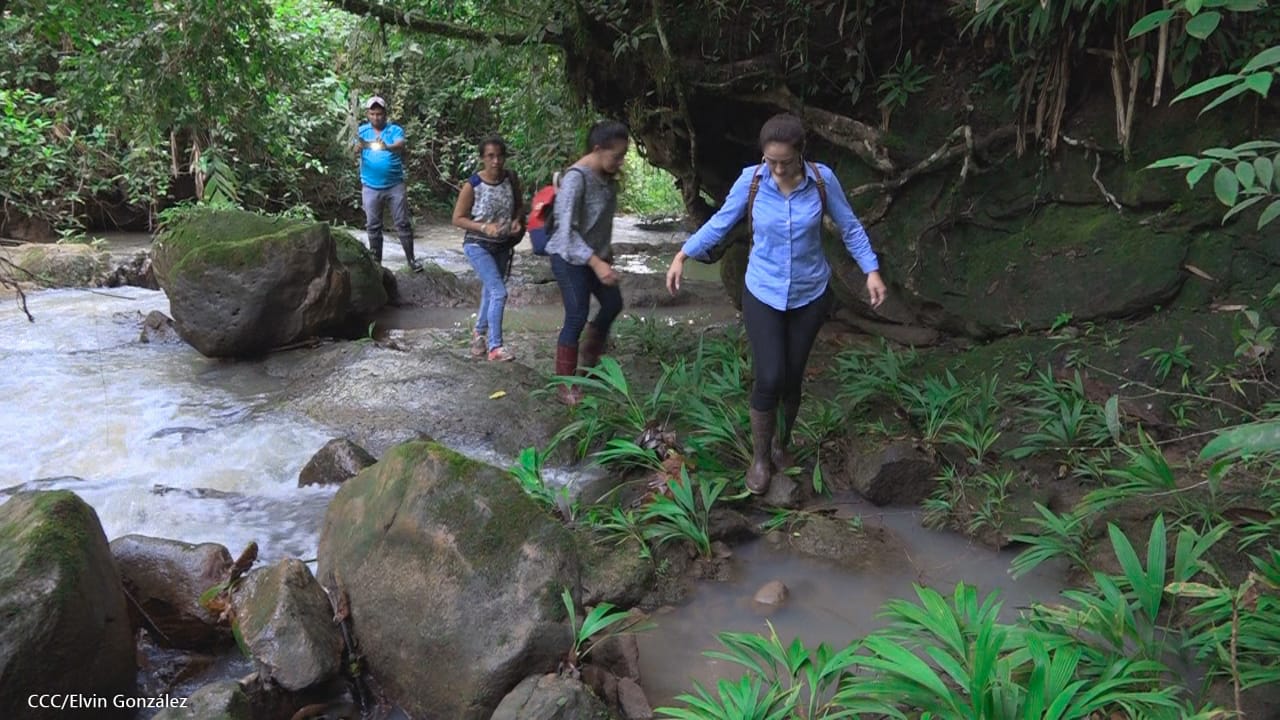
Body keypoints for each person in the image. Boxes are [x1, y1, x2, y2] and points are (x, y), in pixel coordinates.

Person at [665, 113, 887, 495]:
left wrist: (872, 270)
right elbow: (721, 222)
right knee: (769, 376)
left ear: (801, 152)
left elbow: (849, 226)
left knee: (792, 377)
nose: (778, 168)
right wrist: (684, 253)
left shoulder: (822, 180)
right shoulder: (752, 181)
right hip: (763, 291)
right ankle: (761, 457)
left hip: (810, 293)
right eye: (772, 161)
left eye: (785, 161)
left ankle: (783, 444)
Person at [547, 120, 630, 405]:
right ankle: (566, 385)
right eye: (616, 156)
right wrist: (596, 262)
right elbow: (565, 231)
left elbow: (599, 223)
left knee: (612, 303)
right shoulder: (575, 180)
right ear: (597, 149)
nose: (620, 162)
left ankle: (589, 362)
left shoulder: (605, 176)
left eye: (623, 156)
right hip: (568, 256)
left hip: (595, 255)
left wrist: (605, 255)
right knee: (577, 314)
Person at [452, 135, 524, 362]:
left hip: (502, 245)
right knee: (499, 292)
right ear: (482, 158)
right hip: (477, 244)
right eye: (490, 156)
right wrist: (484, 227)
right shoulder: (472, 184)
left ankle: (478, 335)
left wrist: (517, 222)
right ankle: (496, 347)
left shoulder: (511, 178)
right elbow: (457, 219)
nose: (496, 161)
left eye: (499, 156)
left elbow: (520, 207)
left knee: (490, 290)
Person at [355, 96, 422, 272]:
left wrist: (387, 146)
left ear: (385, 114)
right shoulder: (362, 131)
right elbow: (351, 150)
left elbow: (401, 144)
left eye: (379, 114)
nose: (376, 117)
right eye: (373, 114)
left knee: (402, 223)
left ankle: (411, 260)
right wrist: (356, 148)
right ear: (368, 114)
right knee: (373, 226)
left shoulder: (394, 130)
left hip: (394, 185)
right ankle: (377, 264)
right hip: (370, 186)